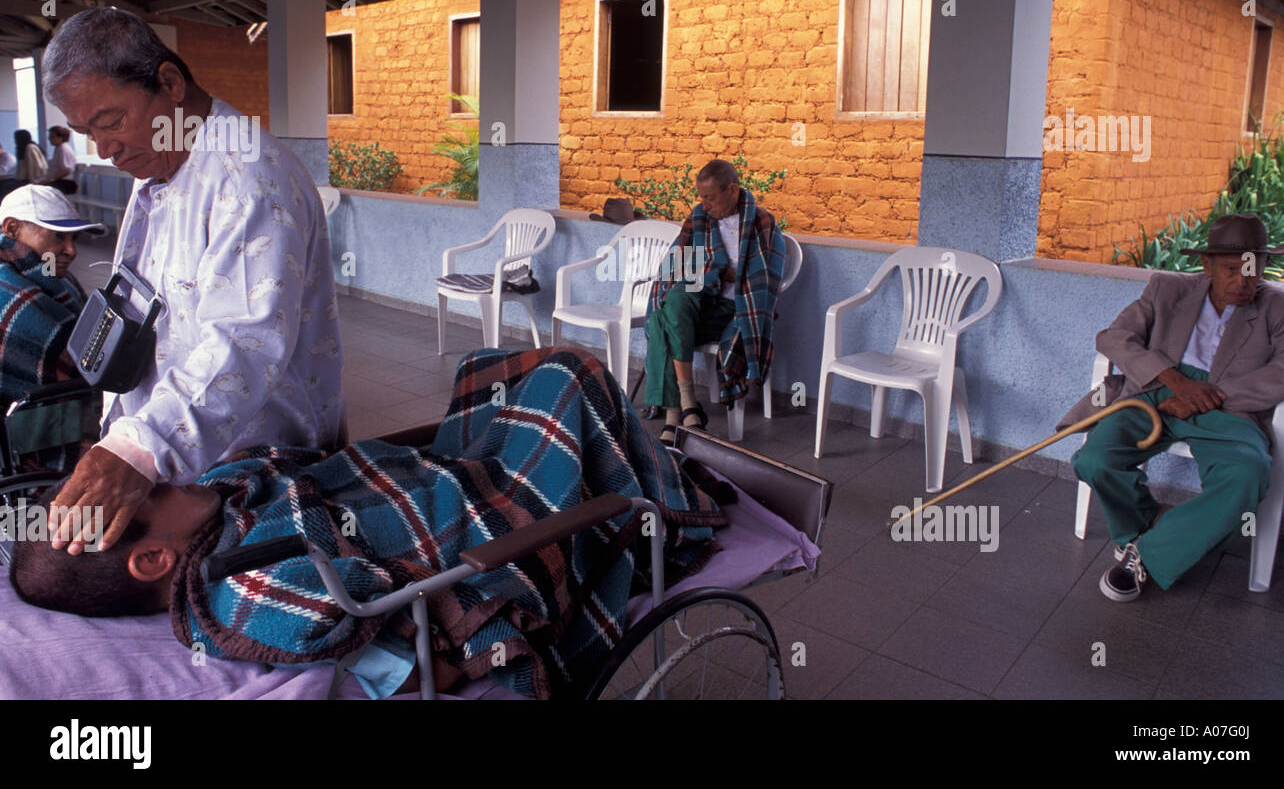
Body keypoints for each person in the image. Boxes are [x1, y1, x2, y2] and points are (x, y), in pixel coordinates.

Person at [9, 347, 728, 700]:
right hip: (489, 514)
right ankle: (670, 504)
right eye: (133, 498)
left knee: (497, 369)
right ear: (152, 561)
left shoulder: (206, 502)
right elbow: (379, 635)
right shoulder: (243, 590)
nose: (150, 476)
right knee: (568, 374)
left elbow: (269, 467)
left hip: (434, 474)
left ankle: (622, 450)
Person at [36, 6, 345, 556]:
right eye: (86, 132)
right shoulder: (162, 158)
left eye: (110, 121)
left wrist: (142, 447)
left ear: (170, 83)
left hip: (250, 471)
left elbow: (244, 344)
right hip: (184, 458)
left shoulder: (246, 179)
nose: (102, 149)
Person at [1059, 213, 1284, 602]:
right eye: (1231, 269)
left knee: (1247, 473)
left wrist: (1208, 396)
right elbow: (1114, 337)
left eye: (1254, 269)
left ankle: (1146, 556)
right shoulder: (1167, 289)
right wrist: (1176, 381)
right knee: (1094, 460)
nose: (1244, 280)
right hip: (1156, 392)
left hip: (1230, 407)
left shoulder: (1281, 309)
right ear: (1207, 265)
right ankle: (1144, 528)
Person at [643, 159, 785, 442]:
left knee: (662, 321)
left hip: (736, 309)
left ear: (732, 190)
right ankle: (688, 406)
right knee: (675, 299)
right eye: (701, 198)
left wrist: (717, 273)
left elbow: (765, 279)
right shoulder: (699, 219)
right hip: (700, 302)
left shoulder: (761, 222)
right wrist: (718, 273)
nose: (704, 204)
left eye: (710, 197)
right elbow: (680, 265)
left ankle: (675, 415)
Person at [0, 185, 106, 474]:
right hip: (33, 448)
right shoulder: (9, 294)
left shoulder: (50, 277)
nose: (71, 250)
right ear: (11, 228)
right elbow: (89, 367)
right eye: (58, 236)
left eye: (75, 237)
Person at [43, 126, 79, 196]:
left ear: (61, 138)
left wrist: (51, 179)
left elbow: (66, 170)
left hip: (66, 183)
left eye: (52, 137)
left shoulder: (63, 149)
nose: (49, 139)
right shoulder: (59, 148)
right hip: (60, 181)